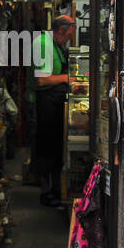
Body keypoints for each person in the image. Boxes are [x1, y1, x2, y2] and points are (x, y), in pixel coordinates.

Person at [29, 14, 76, 207]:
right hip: (45, 103)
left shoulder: (55, 43)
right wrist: (67, 78)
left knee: (55, 147)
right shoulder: (43, 44)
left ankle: (56, 188)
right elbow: (42, 79)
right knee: (46, 147)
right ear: (60, 31)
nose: (68, 40)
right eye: (68, 36)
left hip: (55, 102)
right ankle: (47, 191)